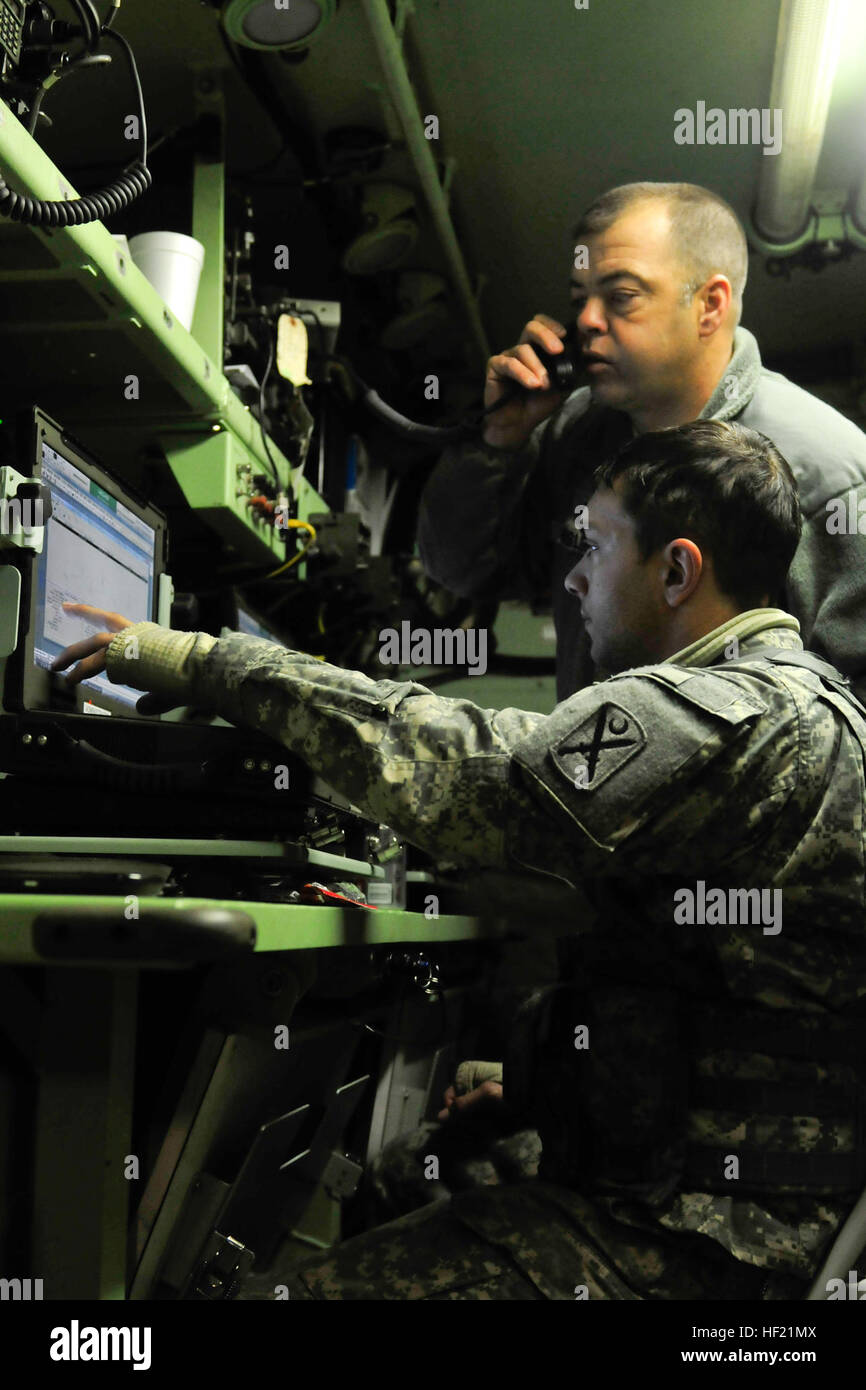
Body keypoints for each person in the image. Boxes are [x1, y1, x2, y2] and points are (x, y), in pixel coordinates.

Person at [51, 420, 866, 1301]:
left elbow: (489, 778)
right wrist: (539, 1089)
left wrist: (206, 661)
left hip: (697, 1248)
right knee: (403, 1174)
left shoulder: (735, 716)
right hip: (729, 1209)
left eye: (595, 546)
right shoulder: (803, 704)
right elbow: (718, 1011)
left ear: (676, 571)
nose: (575, 578)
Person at [417, 181, 866, 704]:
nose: (585, 320)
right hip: (592, 775)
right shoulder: (577, 431)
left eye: (621, 296)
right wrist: (497, 443)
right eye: (579, 298)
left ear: (709, 305)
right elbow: (462, 570)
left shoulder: (831, 478)